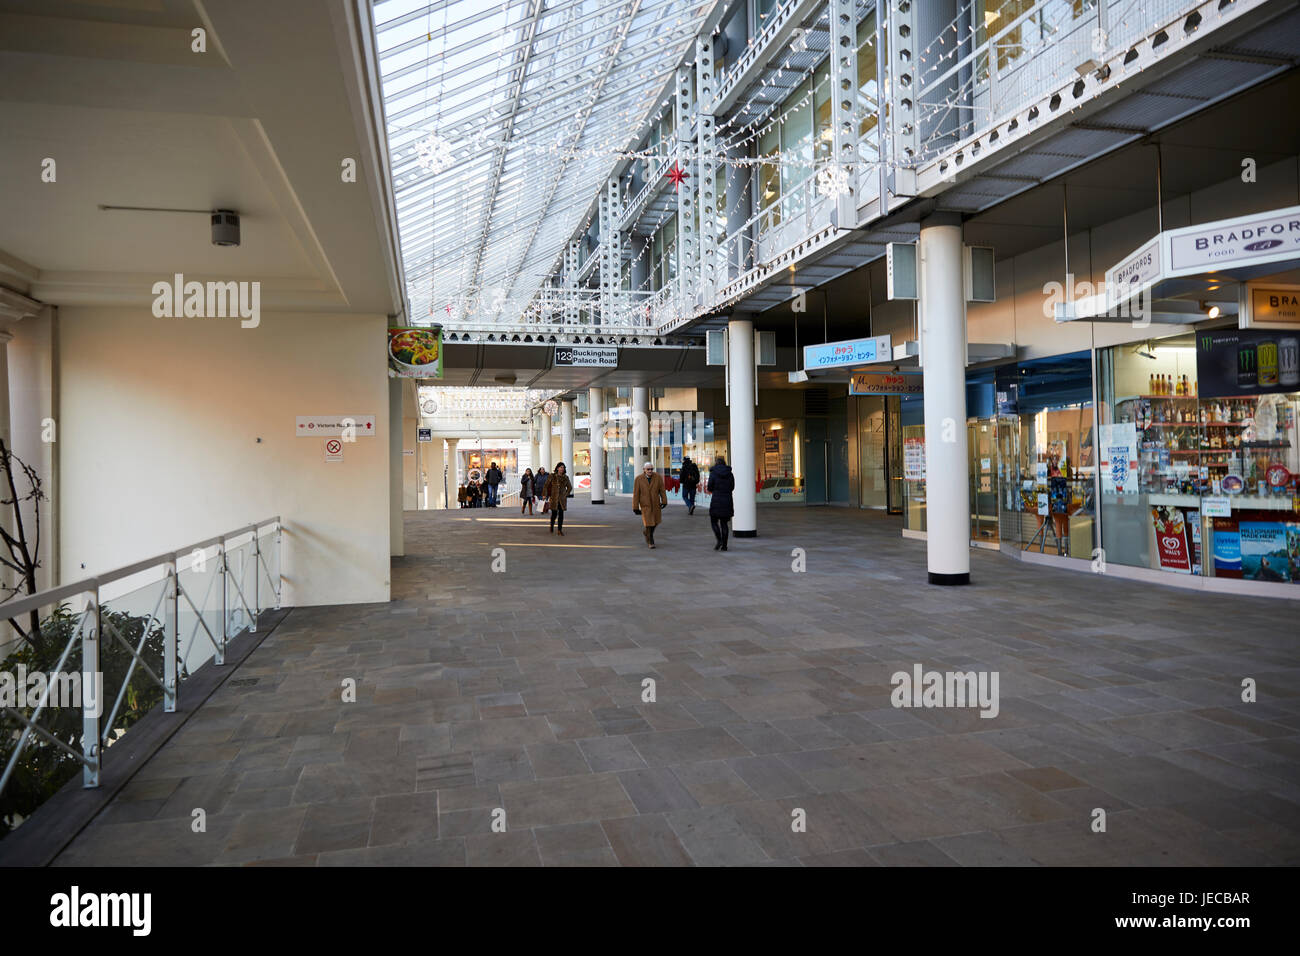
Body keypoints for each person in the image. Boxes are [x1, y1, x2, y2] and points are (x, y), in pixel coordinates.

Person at [632, 461, 668, 549]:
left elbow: (662, 490)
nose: (650, 471)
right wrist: (635, 507)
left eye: (652, 469)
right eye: (648, 469)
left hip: (655, 503)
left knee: (656, 521)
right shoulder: (638, 479)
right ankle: (650, 541)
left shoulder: (658, 477)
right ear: (644, 470)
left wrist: (664, 501)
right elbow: (636, 494)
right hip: (645, 504)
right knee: (648, 523)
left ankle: (647, 533)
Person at [707, 454, 735, 551]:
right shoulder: (729, 473)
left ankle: (719, 540)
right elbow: (732, 487)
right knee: (724, 523)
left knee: (714, 521)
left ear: (716, 463)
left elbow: (709, 487)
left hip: (716, 500)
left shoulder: (713, 473)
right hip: (727, 500)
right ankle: (725, 546)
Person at [546, 462, 572, 535]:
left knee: (561, 514)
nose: (562, 469)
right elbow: (546, 485)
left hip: (562, 499)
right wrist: (545, 494)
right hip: (554, 498)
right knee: (554, 514)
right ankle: (551, 525)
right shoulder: (552, 476)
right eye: (561, 467)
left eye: (563, 468)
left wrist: (565, 494)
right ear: (557, 468)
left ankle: (559, 530)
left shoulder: (565, 477)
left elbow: (570, 487)